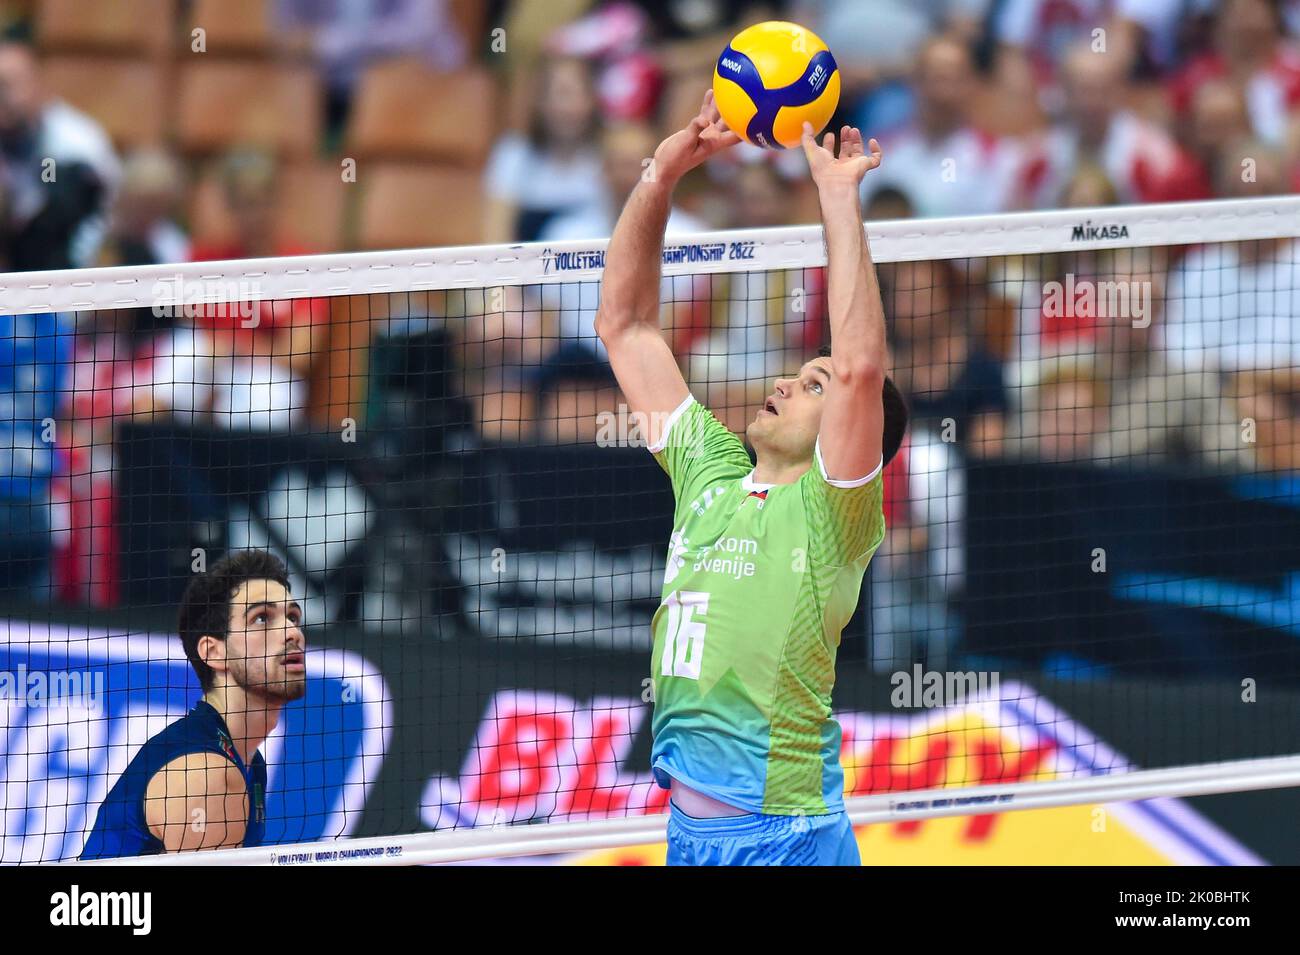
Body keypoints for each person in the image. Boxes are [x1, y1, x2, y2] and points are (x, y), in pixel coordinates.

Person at [594, 91, 908, 866]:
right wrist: (660, 179)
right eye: (799, 374)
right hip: (689, 836)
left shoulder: (835, 510)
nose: (786, 383)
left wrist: (836, 197)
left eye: (813, 385)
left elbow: (863, 366)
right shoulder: (709, 471)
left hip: (787, 835)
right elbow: (625, 327)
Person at [80, 550, 306, 858]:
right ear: (214, 653)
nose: (293, 632)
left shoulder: (246, 759)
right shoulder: (207, 773)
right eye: (262, 618)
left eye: (293, 617)